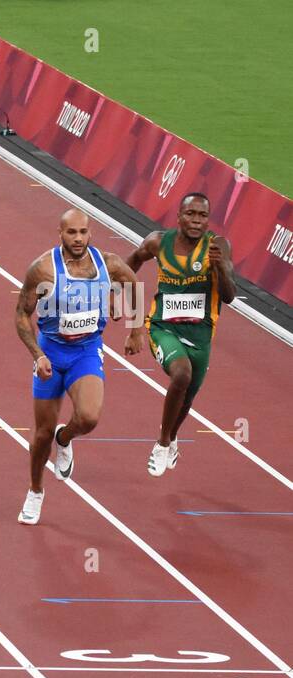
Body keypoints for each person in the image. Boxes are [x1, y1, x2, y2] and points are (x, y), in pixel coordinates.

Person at [14, 209, 137, 524]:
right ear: (60, 233)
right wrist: (36, 354)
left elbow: (131, 280)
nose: (79, 239)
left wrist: (136, 327)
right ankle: (35, 491)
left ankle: (65, 438)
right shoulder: (43, 270)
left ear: (90, 233)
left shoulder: (106, 264)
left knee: (89, 418)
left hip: (86, 351)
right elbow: (21, 316)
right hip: (51, 354)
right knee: (41, 434)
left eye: (83, 232)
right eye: (72, 233)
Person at [124, 193, 235, 476]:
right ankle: (161, 444)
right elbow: (130, 266)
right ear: (179, 216)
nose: (196, 221)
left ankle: (172, 437)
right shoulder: (158, 242)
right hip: (163, 326)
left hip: (200, 334)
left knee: (186, 401)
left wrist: (220, 267)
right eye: (191, 214)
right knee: (181, 375)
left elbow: (230, 296)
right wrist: (120, 302)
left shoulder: (218, 246)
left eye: (202, 216)